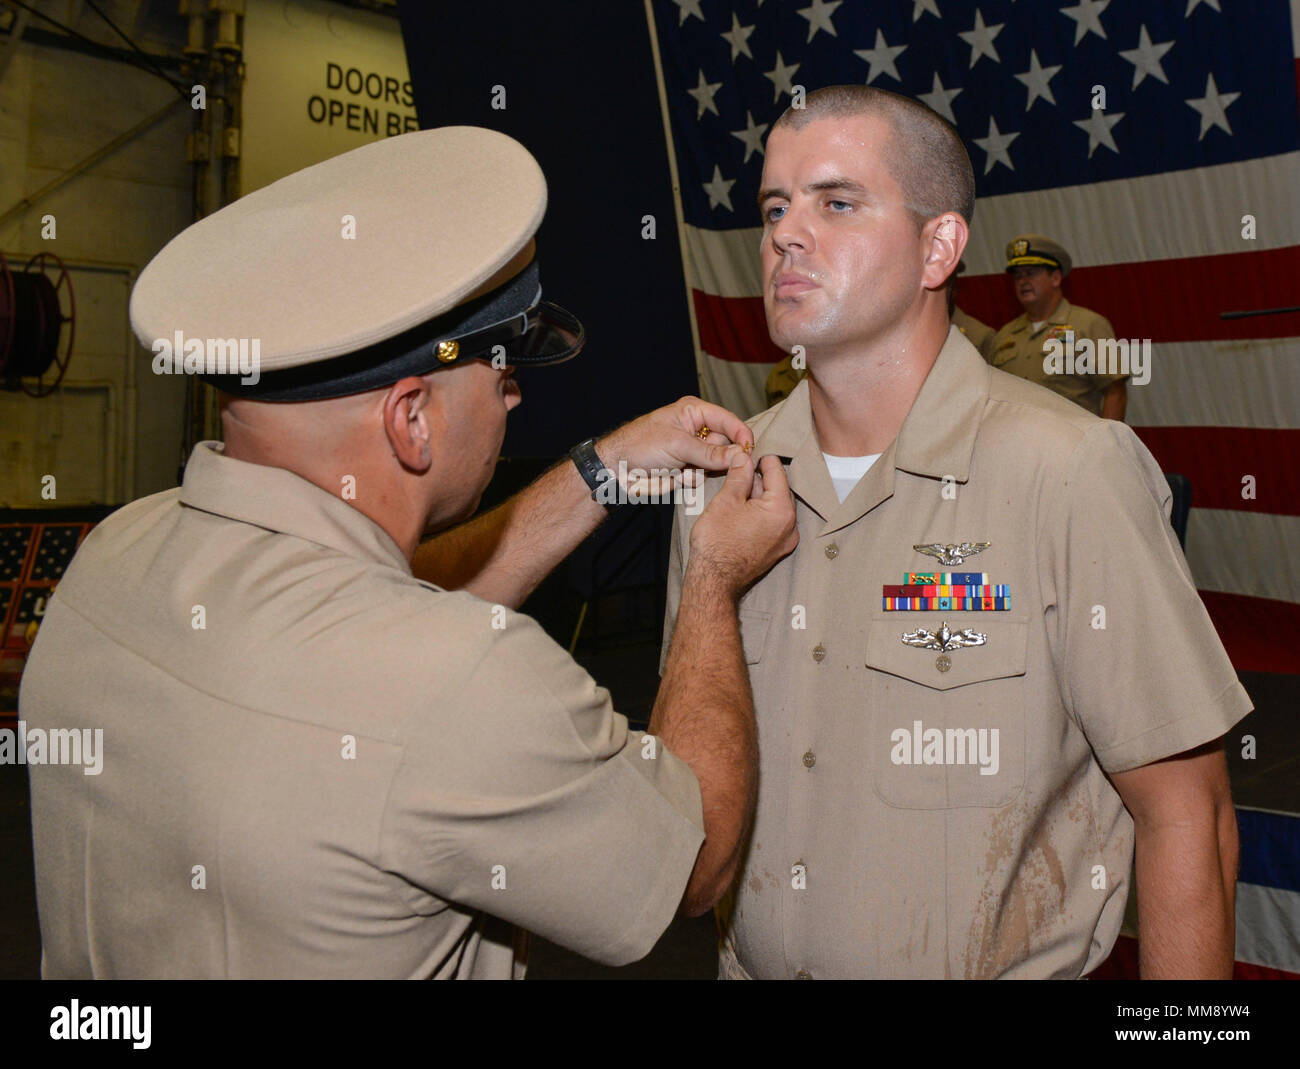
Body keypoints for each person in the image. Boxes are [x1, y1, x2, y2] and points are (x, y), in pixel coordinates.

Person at [19, 126, 797, 979]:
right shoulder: (465, 684)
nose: (514, 395)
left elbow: (372, 606)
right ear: (411, 420)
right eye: (503, 375)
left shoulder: (114, 553)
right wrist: (715, 578)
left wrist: (604, 471)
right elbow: (696, 856)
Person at [661, 86, 1251, 980]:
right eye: (774, 206)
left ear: (938, 246)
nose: (785, 232)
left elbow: (1189, 818)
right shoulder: (722, 484)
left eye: (836, 202)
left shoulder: (1066, 471)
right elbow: (685, 817)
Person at [989, 234, 1127, 419]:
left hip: (1072, 443)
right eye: (1018, 276)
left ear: (1055, 278)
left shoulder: (1089, 325)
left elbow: (1115, 393)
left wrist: (1107, 445)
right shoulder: (1004, 335)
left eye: (1031, 273)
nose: (1023, 281)